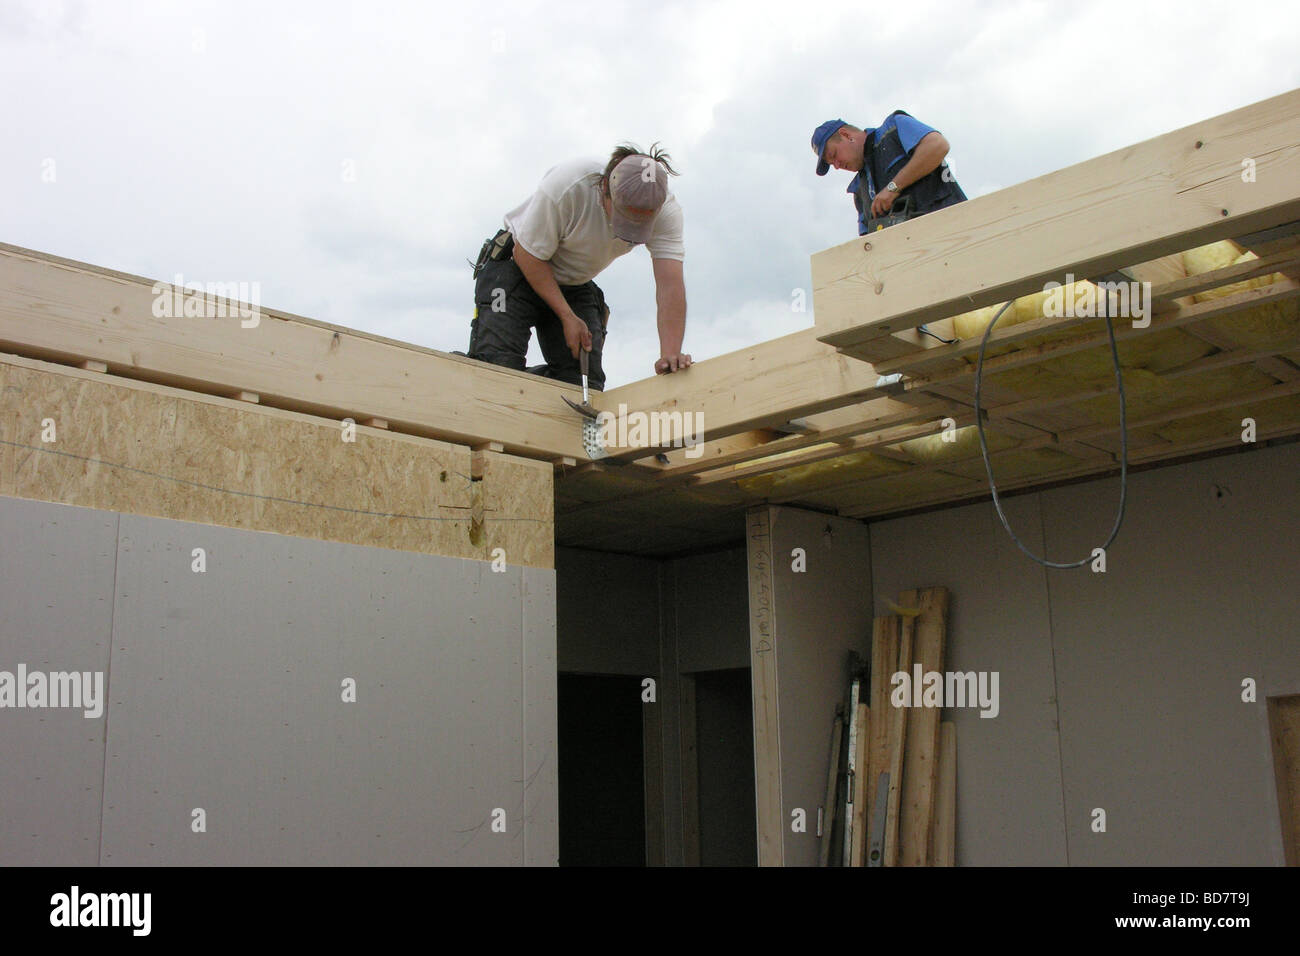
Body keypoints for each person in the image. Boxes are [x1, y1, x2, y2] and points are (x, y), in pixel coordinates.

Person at [467, 144, 691, 390]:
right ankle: (488, 370)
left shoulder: (665, 211)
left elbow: (670, 284)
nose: (629, 234)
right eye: (623, 220)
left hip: (573, 282)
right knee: (498, 374)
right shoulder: (569, 185)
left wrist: (670, 354)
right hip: (517, 268)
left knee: (584, 386)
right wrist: (566, 315)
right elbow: (526, 255)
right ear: (604, 188)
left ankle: (536, 383)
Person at [811, 113, 966, 235]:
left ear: (846, 135)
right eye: (832, 164)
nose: (837, 166)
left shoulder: (894, 128)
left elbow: (938, 145)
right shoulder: (859, 189)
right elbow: (867, 245)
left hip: (957, 233)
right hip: (914, 263)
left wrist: (893, 188)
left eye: (834, 155)